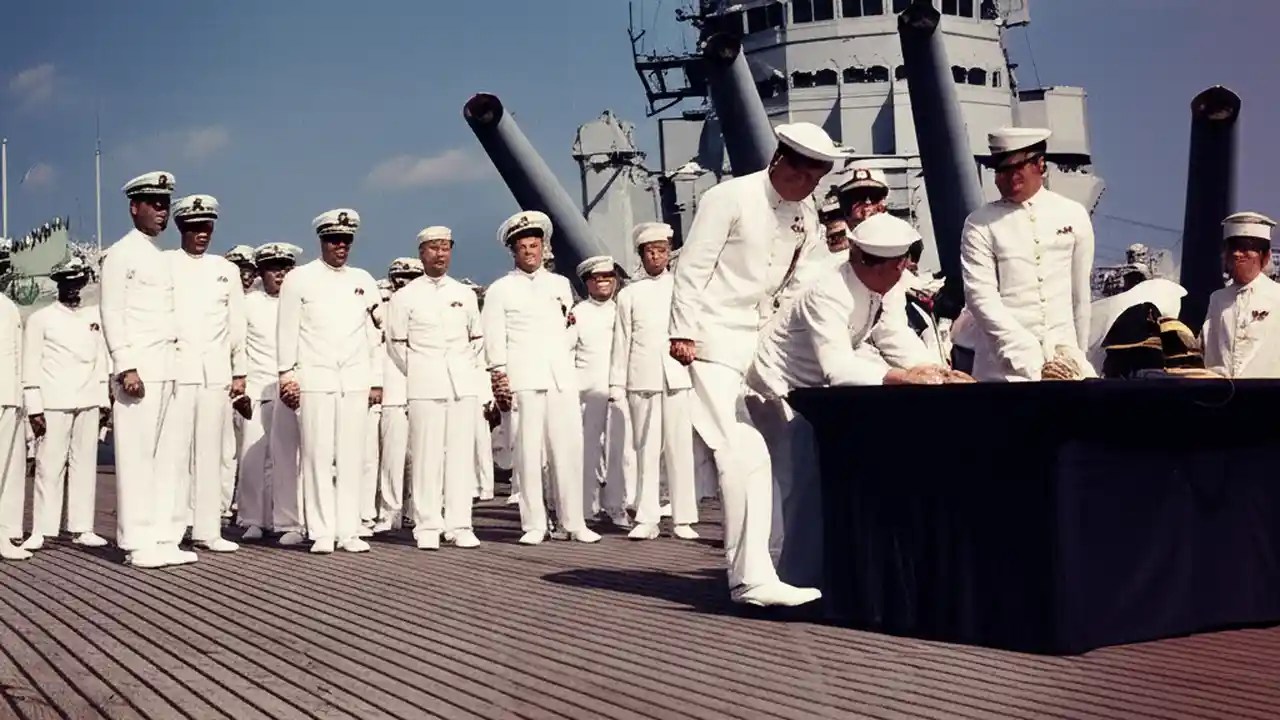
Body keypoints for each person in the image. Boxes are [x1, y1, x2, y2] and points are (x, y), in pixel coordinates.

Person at [668, 122, 842, 607]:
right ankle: (749, 580)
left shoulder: (805, 217)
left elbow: (799, 282)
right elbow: (694, 266)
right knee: (741, 451)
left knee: (784, 449)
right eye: (803, 174)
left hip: (760, 341)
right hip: (713, 336)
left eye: (817, 178)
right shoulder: (729, 197)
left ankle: (778, 563)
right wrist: (682, 331)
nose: (808, 186)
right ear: (781, 159)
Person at [747, 213, 967, 587]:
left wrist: (936, 370)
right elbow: (837, 366)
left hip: (817, 397)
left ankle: (814, 576)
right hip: (777, 390)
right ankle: (780, 580)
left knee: (818, 484)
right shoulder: (827, 291)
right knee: (793, 487)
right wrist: (904, 377)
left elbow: (892, 333)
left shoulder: (887, 284)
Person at [482, 210, 601, 545]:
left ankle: (573, 522)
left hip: (560, 377)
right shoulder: (500, 290)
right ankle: (534, 524)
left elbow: (566, 329)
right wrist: (499, 375)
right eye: (523, 247)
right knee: (528, 454)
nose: (530, 252)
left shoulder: (560, 285)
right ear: (513, 252)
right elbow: (494, 336)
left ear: (543, 247)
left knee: (568, 450)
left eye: (534, 245)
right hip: (524, 378)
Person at [100, 172, 197, 568]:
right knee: (137, 457)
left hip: (166, 370)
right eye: (154, 204)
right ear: (133, 207)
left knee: (166, 458)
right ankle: (137, 541)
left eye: (164, 204)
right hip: (139, 372)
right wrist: (126, 366)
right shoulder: (121, 254)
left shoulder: (157, 257)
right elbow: (112, 312)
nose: (161, 211)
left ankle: (162, 535)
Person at [277, 209, 381, 554]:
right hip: (315, 376)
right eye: (335, 239)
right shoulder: (299, 279)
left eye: (347, 240)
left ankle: (348, 529)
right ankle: (321, 530)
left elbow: (375, 334)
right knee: (317, 455)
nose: (342, 246)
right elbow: (287, 329)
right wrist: (287, 374)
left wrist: (375, 379)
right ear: (322, 241)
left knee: (352, 455)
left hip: (353, 378)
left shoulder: (364, 280)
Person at [961, 127, 1096, 381]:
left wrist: (1079, 352)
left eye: (1016, 167)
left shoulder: (1072, 214)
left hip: (1065, 359)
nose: (1008, 177)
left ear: (1039, 164)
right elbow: (981, 298)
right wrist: (1031, 360)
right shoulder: (980, 223)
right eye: (1001, 170)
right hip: (1004, 368)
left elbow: (1080, 295)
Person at [386, 225, 483, 549]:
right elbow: (397, 346)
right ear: (421, 253)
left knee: (459, 456)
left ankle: (460, 523)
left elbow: (476, 340)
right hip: (425, 383)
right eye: (433, 248)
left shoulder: (464, 294)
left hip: (461, 384)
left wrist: (463, 370)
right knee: (426, 457)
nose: (440, 254)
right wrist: (419, 371)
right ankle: (427, 524)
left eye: (445, 248)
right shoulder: (404, 298)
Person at [168, 194, 247, 554]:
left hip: (214, 371)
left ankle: (207, 528)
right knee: (176, 450)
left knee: (211, 452)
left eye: (208, 227)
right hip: (178, 370)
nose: (203, 234)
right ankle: (174, 525)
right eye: (196, 227)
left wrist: (239, 372)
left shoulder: (226, 270)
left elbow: (237, 326)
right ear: (181, 228)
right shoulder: (165, 265)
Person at [611, 222, 699, 541]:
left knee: (679, 448)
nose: (656, 257)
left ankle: (683, 517)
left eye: (661, 251)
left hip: (677, 376)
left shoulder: (682, 288)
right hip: (642, 377)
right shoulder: (629, 295)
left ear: (669, 254)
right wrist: (616, 386)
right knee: (645, 448)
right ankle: (646, 517)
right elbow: (621, 341)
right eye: (650, 251)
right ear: (641, 255)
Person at [19, 256, 110, 551]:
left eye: (78, 282)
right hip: (53, 401)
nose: (73, 289)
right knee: (49, 466)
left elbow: (100, 361)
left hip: (87, 400)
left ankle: (82, 527)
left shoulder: (93, 317)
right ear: (58, 285)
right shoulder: (40, 319)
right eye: (68, 283)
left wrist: (103, 402)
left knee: (84, 465)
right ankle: (42, 530)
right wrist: (34, 407)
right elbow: (30, 366)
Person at [236, 242, 303, 542]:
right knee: (253, 458)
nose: (280, 274)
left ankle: (289, 520)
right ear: (261, 272)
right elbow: (238, 346)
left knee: (289, 458)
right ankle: (253, 519)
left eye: (285, 268)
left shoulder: (301, 300)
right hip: (256, 386)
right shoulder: (248, 303)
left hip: (290, 388)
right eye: (274, 268)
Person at [570, 255, 631, 529]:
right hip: (587, 388)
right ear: (587, 283)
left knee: (621, 451)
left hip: (620, 388)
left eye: (608, 277)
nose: (603, 282)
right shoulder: (577, 314)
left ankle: (618, 507)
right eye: (597, 278)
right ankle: (586, 506)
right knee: (587, 450)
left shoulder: (624, 310)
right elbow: (567, 352)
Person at [372, 256, 425, 534]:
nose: (403, 284)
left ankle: (418, 511)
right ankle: (389, 512)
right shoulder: (382, 310)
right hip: (393, 389)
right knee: (392, 457)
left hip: (423, 389)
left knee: (421, 455)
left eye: (411, 278)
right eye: (399, 278)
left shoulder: (428, 308)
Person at [1200, 212, 1280, 377]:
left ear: (1265, 256)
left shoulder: (1277, 296)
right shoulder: (1217, 299)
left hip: (1269, 394)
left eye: (1245, 248)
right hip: (1223, 394)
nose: (1237, 254)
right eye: (1232, 248)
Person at [221, 243, 259, 520]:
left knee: (244, 449)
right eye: (240, 270)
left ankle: (240, 503)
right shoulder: (218, 300)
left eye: (249, 271)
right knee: (221, 451)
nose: (245, 276)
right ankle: (218, 505)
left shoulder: (256, 302)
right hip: (218, 380)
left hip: (249, 384)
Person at [0, 239, 28, 561]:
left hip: (8, 395)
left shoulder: (9, 306)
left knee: (8, 468)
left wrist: (19, 396)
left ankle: (6, 533)